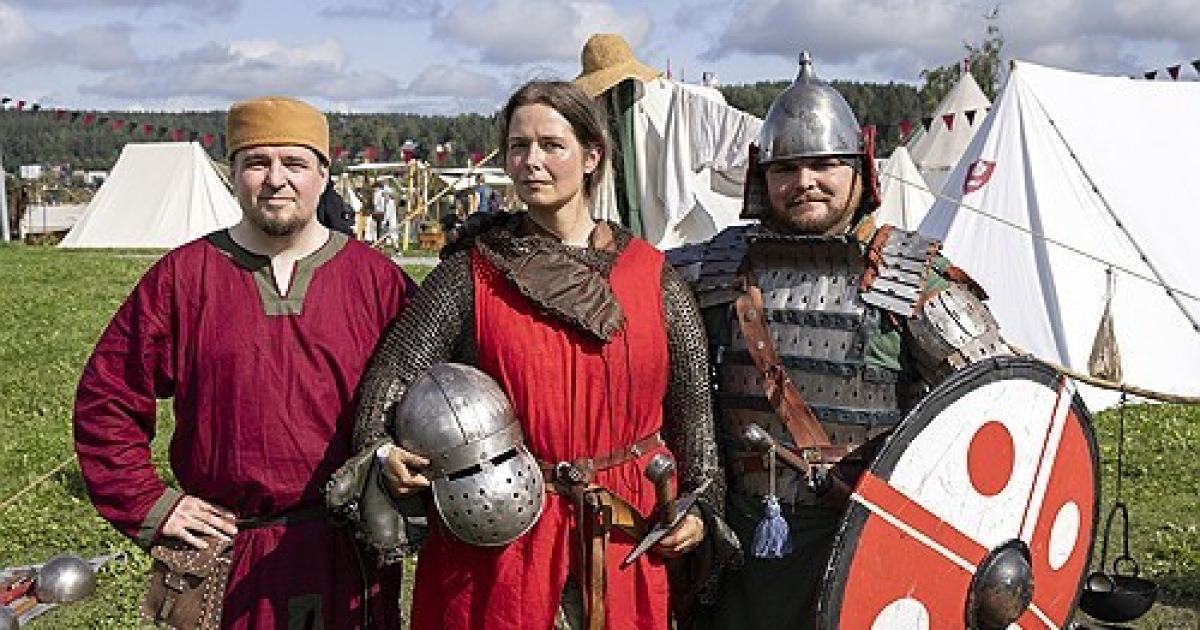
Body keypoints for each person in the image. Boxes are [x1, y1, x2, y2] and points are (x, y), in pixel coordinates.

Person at [346, 80, 735, 630]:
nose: (532, 161)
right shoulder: (471, 274)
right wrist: (383, 451)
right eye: (518, 146)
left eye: (552, 145)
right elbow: (391, 380)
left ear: (592, 156)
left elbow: (693, 413)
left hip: (624, 529)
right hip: (503, 531)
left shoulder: (654, 277)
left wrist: (698, 506)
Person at [669, 53, 1013, 630]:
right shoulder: (713, 268)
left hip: (865, 538)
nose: (804, 182)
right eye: (786, 168)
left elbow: (993, 406)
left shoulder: (908, 274)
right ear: (761, 178)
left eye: (824, 164)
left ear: (859, 170)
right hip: (742, 544)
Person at [72, 95, 418, 629]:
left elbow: (434, 401)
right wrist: (151, 503)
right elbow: (107, 399)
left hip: (347, 552)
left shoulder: (376, 282)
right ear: (232, 174)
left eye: (295, 163)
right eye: (257, 163)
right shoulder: (183, 279)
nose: (276, 180)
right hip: (226, 558)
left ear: (323, 175)